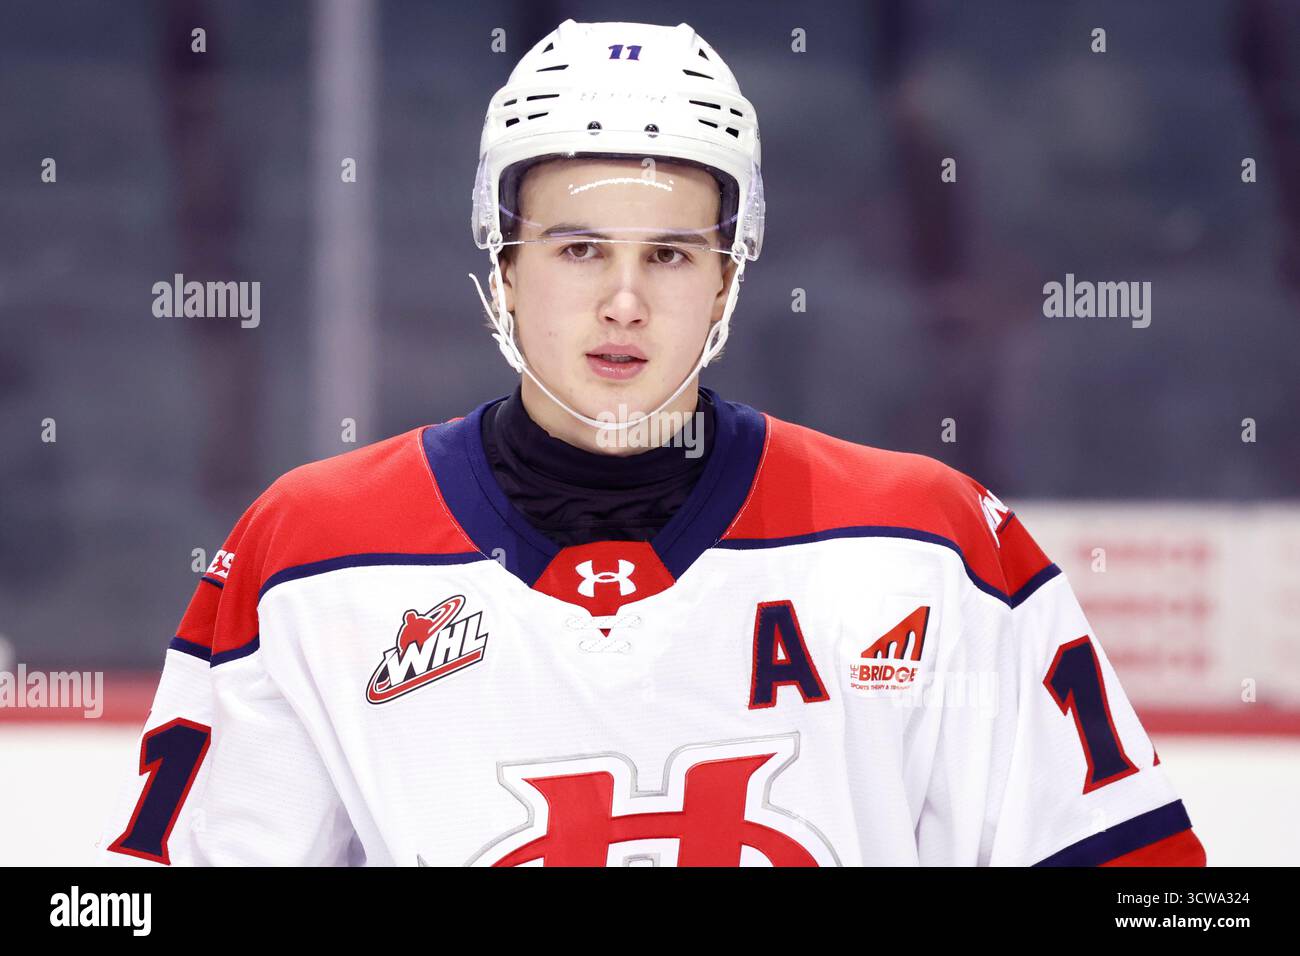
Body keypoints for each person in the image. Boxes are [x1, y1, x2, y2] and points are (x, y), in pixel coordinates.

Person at [100, 19, 1205, 867]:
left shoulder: (927, 543)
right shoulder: (310, 553)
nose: (624, 301)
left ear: (729, 272)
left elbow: (1143, 879)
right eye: (579, 248)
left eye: (671, 255)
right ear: (502, 263)